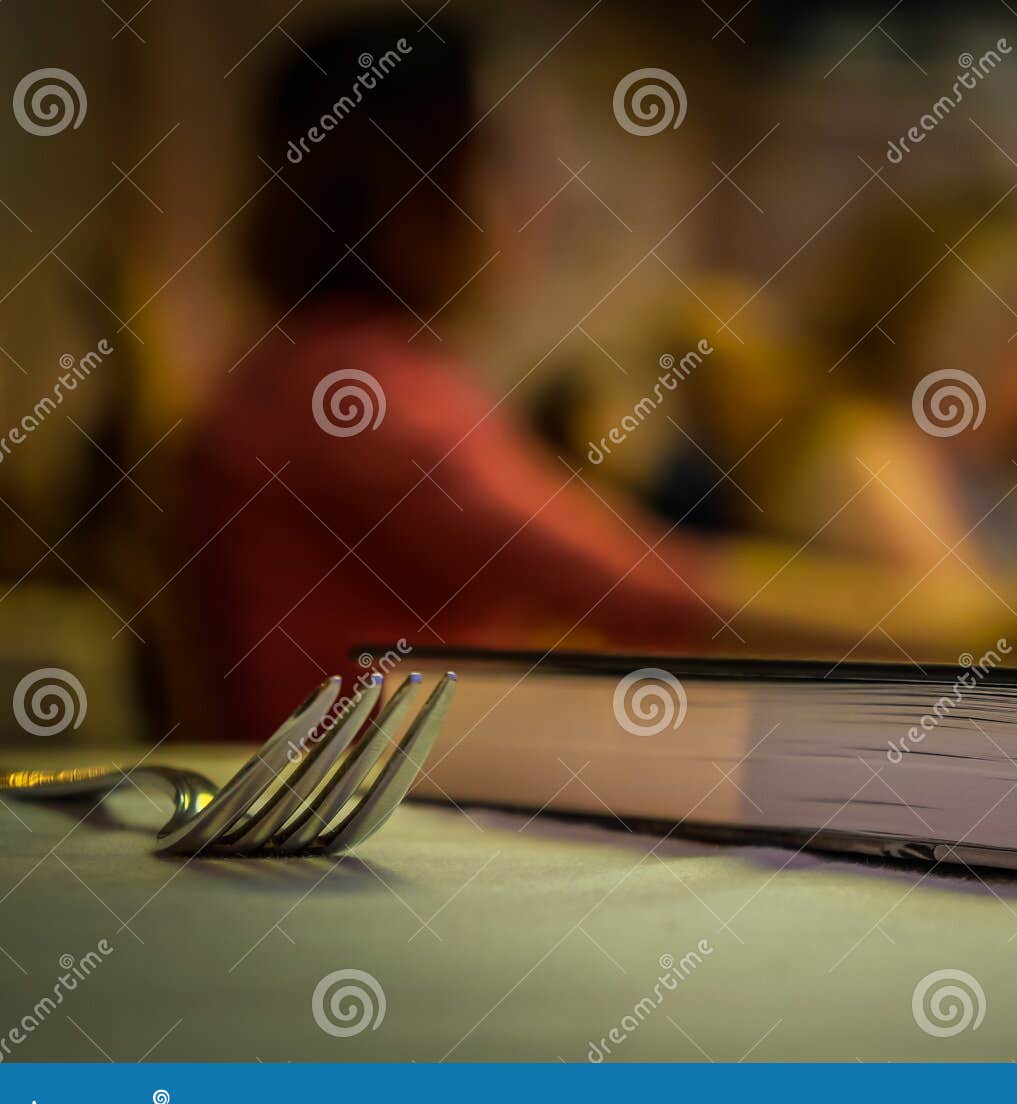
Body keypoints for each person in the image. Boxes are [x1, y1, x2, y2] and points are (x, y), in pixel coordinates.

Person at [169, 17, 720, 737]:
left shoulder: (308, 364)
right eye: (500, 160)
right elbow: (648, 587)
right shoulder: (366, 387)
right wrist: (904, 621)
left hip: (369, 781)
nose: (535, 204)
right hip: (366, 804)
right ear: (410, 190)